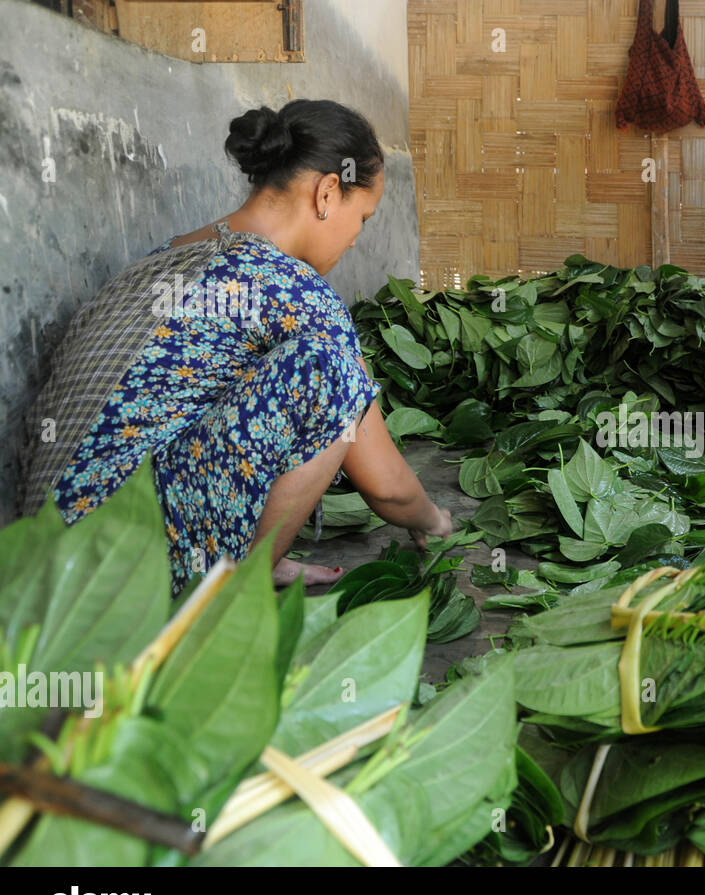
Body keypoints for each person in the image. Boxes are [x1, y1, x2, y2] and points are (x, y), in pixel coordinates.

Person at [21, 100, 453, 595]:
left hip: (41, 556)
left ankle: (250, 558)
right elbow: (386, 486)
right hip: (115, 576)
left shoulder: (165, 257)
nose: (355, 240)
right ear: (328, 193)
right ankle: (226, 594)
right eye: (363, 218)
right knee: (328, 369)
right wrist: (432, 520)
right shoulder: (295, 289)